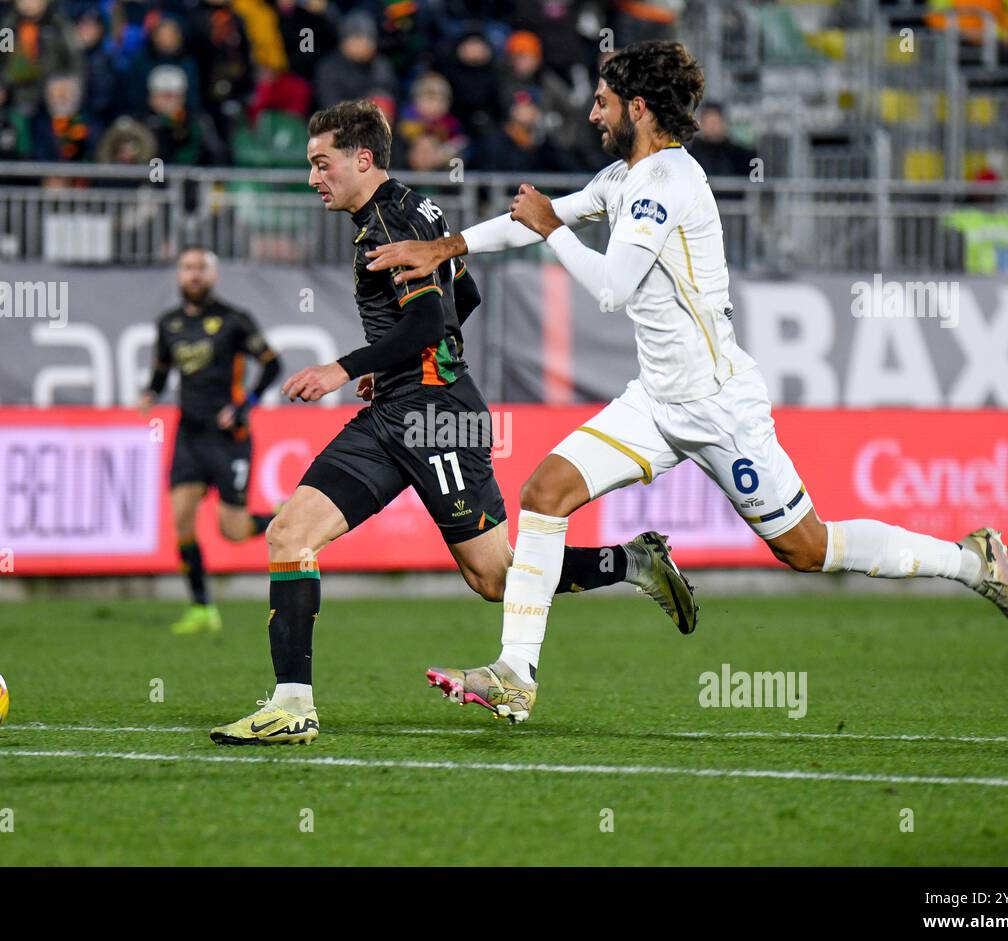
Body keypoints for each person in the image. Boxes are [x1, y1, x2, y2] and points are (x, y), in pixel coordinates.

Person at [367, 41, 1008, 725]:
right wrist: (447, 247)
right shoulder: (623, 178)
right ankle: (515, 673)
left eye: (602, 102)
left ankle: (970, 561)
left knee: (807, 548)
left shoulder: (668, 184)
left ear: (638, 107)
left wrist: (552, 234)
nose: (593, 113)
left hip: (719, 409)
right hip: (655, 402)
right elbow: (535, 219)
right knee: (545, 492)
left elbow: (611, 288)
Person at [208, 99, 696, 746]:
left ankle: (631, 562)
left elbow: (429, 320)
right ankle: (292, 705)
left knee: (494, 579)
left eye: (321, 164)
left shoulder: (388, 222)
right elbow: (462, 295)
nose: (312, 179)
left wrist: (343, 367)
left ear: (362, 159)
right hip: (394, 412)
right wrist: (401, 363)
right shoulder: (413, 210)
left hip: (438, 419)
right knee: (290, 533)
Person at [139, 247, 284, 636]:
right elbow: (162, 369)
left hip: (228, 438)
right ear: (178, 275)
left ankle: (285, 517)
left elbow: (272, 364)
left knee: (232, 531)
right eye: (187, 268)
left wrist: (245, 406)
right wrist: (150, 393)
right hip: (188, 434)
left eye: (201, 268)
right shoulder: (167, 324)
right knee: (181, 520)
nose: (194, 275)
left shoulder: (234, 321)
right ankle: (203, 607)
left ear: (214, 275)